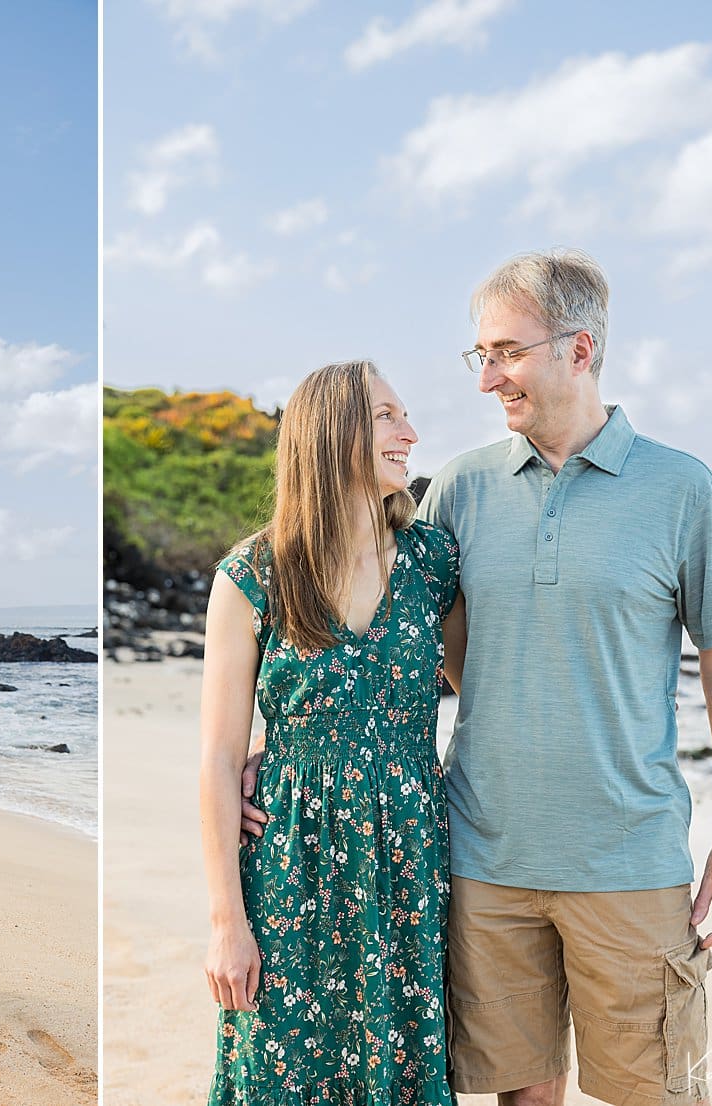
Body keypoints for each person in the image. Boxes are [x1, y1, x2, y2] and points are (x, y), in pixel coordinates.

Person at [243, 250, 712, 1106]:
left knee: (658, 1094)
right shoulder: (458, 489)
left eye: (506, 353)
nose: (487, 378)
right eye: (478, 355)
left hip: (629, 862)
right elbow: (373, 631)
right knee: (522, 1095)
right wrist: (273, 752)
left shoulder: (683, 489)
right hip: (482, 860)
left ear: (580, 350)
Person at [201, 362, 459, 1105]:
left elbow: (484, 695)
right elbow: (218, 759)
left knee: (399, 1073)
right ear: (330, 429)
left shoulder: (433, 563)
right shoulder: (254, 572)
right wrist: (226, 922)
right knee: (279, 1074)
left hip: (407, 864)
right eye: (387, 416)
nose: (409, 433)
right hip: (288, 867)